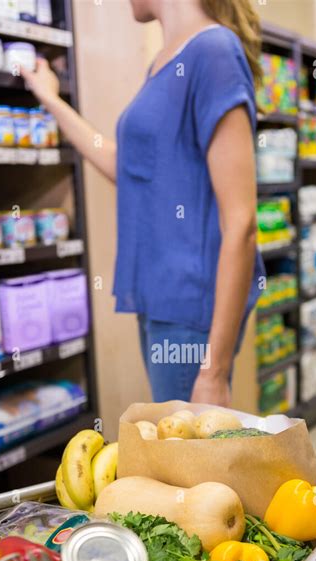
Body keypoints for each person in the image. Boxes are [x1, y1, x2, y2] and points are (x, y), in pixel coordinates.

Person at [22, 0, 264, 406]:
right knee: (181, 458)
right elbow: (126, 165)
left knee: (186, 464)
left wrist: (215, 370)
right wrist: (51, 100)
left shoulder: (213, 51)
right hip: (158, 300)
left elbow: (241, 222)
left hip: (189, 307)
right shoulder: (164, 62)